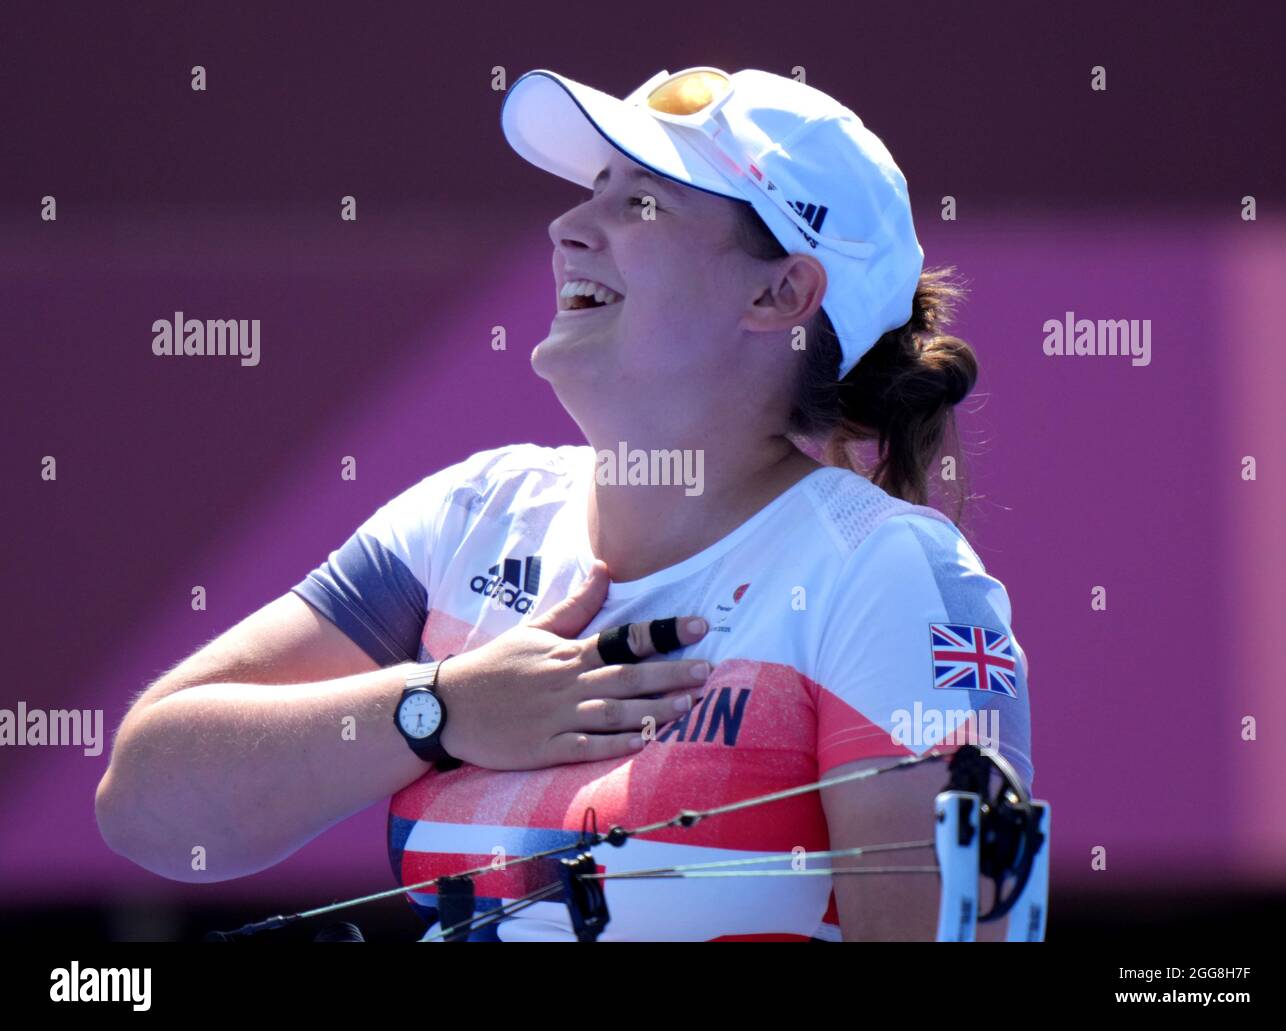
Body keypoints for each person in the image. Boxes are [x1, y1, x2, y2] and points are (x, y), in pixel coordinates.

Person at [96, 67, 1032, 942]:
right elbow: (145, 807)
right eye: (592, 192)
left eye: (639, 202)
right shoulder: (468, 513)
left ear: (780, 291)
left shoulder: (889, 573)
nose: (568, 228)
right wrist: (440, 707)